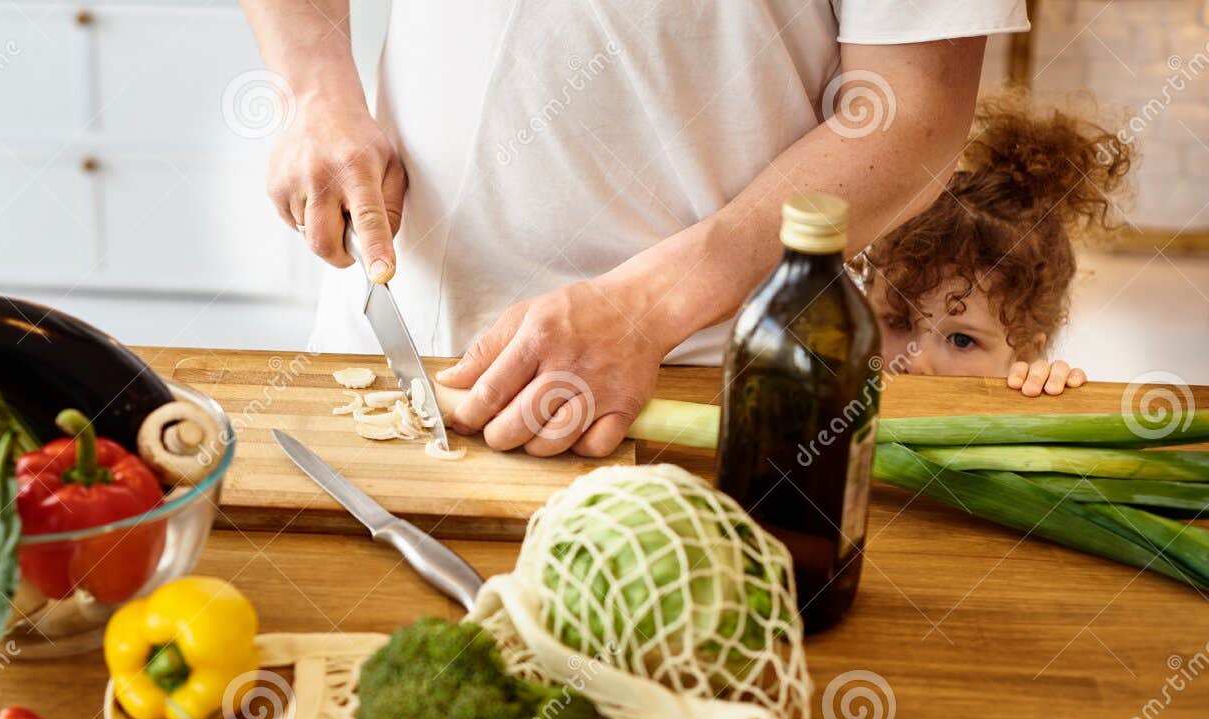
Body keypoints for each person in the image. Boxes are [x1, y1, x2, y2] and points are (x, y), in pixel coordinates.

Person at [240, 0, 1030, 455]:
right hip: (388, 351)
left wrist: (643, 310)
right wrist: (314, 89)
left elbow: (912, 114)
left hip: (679, 389)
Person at [858, 90, 1132, 397]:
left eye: (961, 340)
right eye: (895, 321)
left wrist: (1043, 401)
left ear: (1026, 354)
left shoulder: (1022, 400)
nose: (915, 360)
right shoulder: (843, 393)